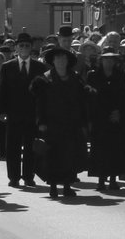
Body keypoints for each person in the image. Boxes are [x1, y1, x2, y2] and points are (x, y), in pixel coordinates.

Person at [31, 46, 89, 198]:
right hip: (51, 124)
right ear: (53, 61)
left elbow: (82, 100)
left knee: (70, 155)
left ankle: (68, 185)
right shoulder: (43, 79)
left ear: (68, 61)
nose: (61, 61)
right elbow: (39, 103)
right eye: (58, 58)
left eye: (63, 58)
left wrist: (83, 121)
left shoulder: (75, 77)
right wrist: (41, 122)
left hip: (71, 124)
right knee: (53, 156)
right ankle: (54, 186)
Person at [0, 32, 45, 188]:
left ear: (31, 48)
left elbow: (42, 93)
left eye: (27, 45)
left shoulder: (39, 67)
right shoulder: (7, 66)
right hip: (13, 113)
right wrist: (1, 111)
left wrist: (41, 114)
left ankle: (28, 176)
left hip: (32, 114)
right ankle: (14, 177)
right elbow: (2, 90)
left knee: (31, 147)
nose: (24, 48)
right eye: (21, 45)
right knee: (13, 147)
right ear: (16, 48)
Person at [86, 48, 125, 190]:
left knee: (116, 149)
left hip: (116, 118)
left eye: (111, 59)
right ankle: (100, 179)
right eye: (106, 59)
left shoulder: (121, 75)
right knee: (99, 149)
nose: (108, 62)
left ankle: (113, 178)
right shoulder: (93, 76)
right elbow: (89, 98)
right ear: (101, 60)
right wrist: (91, 119)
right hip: (99, 118)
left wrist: (119, 112)